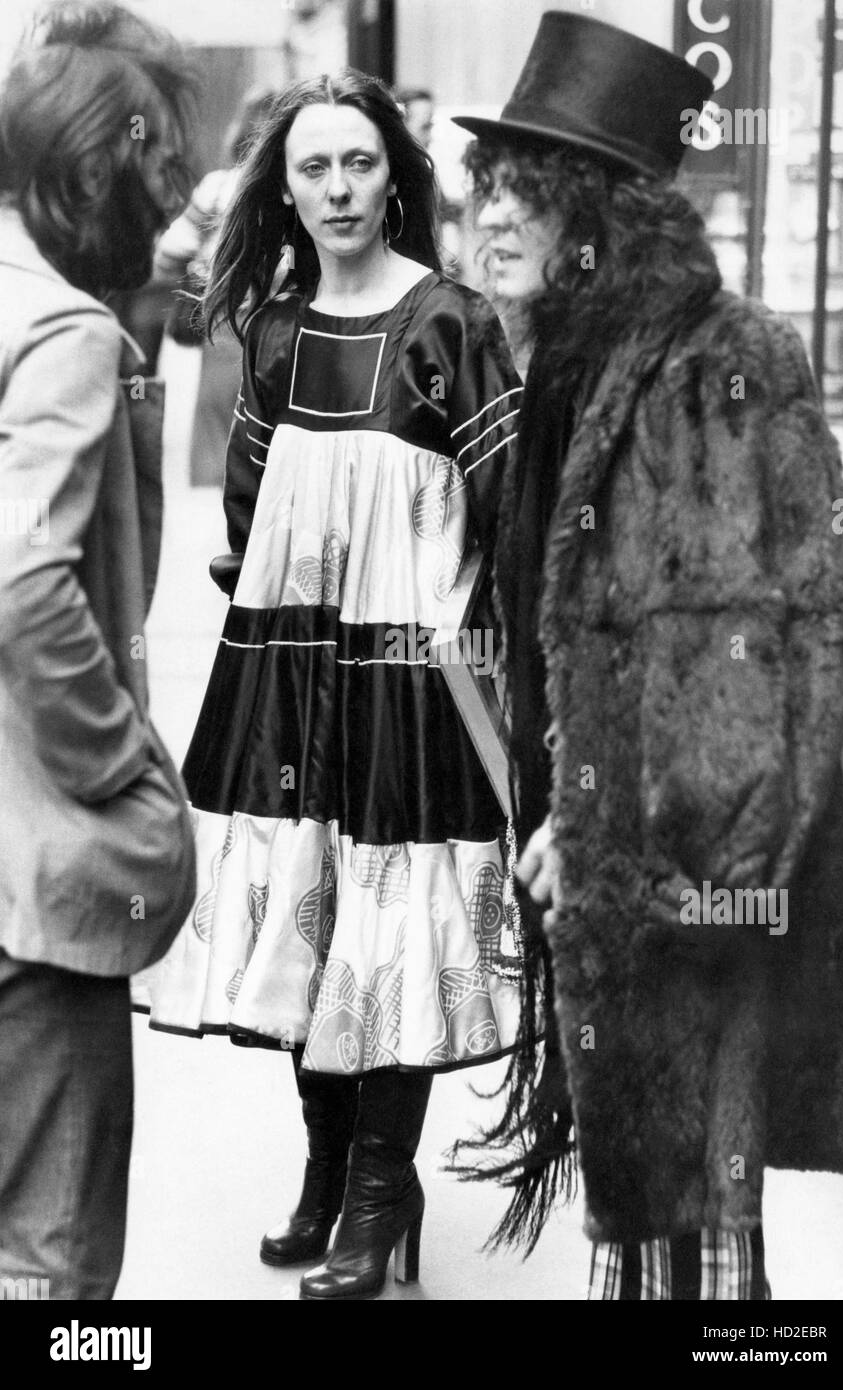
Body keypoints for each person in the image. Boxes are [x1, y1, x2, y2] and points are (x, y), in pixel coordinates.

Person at [451, 11, 843, 1300]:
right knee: (650, 1228)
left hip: (701, 875)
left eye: (534, 191)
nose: (494, 219)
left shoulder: (715, 364)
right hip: (623, 877)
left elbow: (741, 663)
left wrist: (604, 837)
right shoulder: (564, 371)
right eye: (487, 189)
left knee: (708, 1232)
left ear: (607, 220)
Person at [137, 68, 523, 1301]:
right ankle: (322, 1171)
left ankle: (376, 1194)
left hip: (414, 686)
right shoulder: (276, 332)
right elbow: (248, 519)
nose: (339, 187)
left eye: (361, 164)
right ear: (285, 188)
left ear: (394, 178)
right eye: (314, 167)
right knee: (309, 925)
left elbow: (508, 520)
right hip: (293, 679)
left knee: (391, 938)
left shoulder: (452, 322)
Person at [0, 0, 199, 1300]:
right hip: (33, 883)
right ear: (97, 171)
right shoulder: (64, 333)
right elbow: (24, 580)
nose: (172, 213)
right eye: (159, 174)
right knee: (55, 1271)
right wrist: (117, 765)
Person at [154, 87, 278, 486]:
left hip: (225, 322)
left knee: (219, 437)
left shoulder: (219, 187)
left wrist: (199, 265)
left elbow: (167, 254)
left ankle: (227, 534)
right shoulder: (292, 188)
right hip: (285, 323)